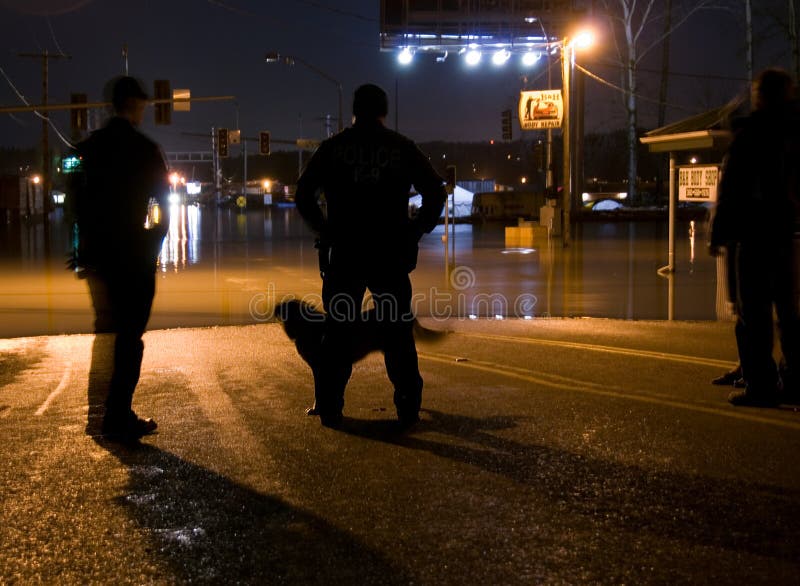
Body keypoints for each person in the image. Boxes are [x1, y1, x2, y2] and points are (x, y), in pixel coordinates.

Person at [294, 83, 447, 427]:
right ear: (383, 112)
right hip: (389, 254)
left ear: (354, 111)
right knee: (396, 332)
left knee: (337, 331)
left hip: (345, 253)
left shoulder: (334, 149)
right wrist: (414, 230)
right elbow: (435, 193)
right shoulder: (401, 148)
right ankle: (407, 406)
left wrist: (324, 230)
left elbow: (304, 194)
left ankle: (331, 406)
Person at [69, 76, 170, 441]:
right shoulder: (145, 150)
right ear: (135, 105)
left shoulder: (90, 148)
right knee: (130, 337)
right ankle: (117, 416)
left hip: (98, 257)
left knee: (105, 332)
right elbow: (161, 205)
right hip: (133, 255)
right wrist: (151, 246)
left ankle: (99, 413)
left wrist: (81, 251)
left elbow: (74, 204)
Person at [709, 68, 800, 406]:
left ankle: (761, 384)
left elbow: (733, 188)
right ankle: (794, 378)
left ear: (762, 95)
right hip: (786, 234)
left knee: (754, 315)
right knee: (789, 314)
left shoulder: (752, 135)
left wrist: (719, 233)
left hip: (754, 234)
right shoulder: (793, 134)